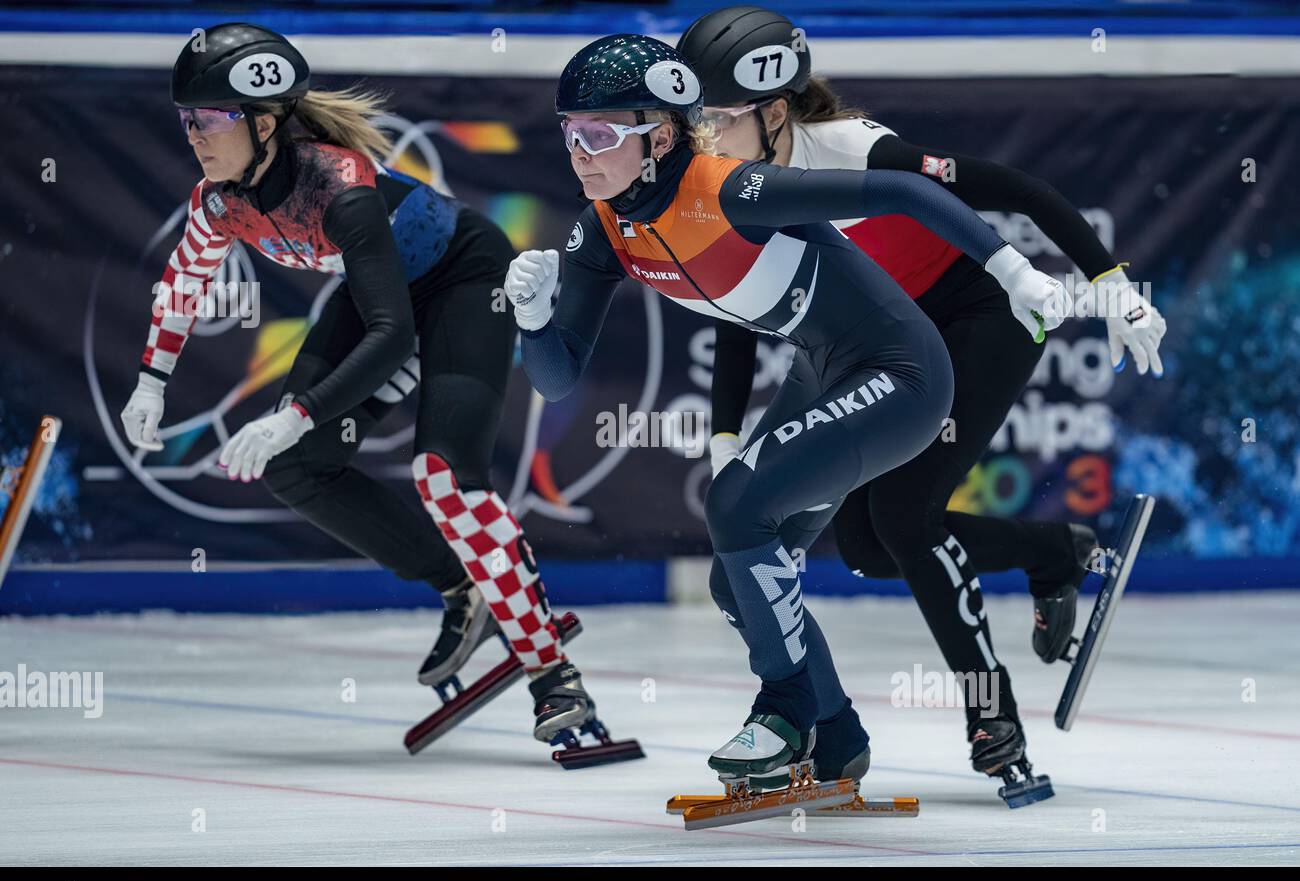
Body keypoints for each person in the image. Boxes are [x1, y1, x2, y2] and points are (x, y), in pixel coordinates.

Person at [505, 33, 1068, 792]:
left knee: (736, 506)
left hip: (900, 375)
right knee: (734, 582)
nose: (580, 152)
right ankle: (835, 737)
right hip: (825, 374)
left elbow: (906, 191)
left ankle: (785, 704)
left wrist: (1012, 270)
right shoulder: (602, 227)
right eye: (570, 132)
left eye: (600, 133)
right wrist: (535, 320)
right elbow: (558, 379)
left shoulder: (733, 189)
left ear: (661, 134)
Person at [677, 5, 1167, 782]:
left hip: (976, 315)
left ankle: (991, 711)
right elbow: (733, 309)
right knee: (869, 547)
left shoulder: (854, 148)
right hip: (882, 342)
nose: (702, 136)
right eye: (694, 118)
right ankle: (1055, 552)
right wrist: (726, 439)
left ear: (775, 112)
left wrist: (1110, 281)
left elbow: (1020, 189)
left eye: (718, 118)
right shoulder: (732, 182)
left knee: (904, 516)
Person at [118, 22, 605, 746]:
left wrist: (296, 412)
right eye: (186, 119)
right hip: (381, 292)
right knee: (296, 466)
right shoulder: (219, 200)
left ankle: (554, 677)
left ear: (264, 120)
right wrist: (151, 381)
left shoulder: (339, 187)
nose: (195, 136)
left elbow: (393, 337)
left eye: (210, 119)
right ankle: (461, 584)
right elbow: (183, 285)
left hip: (464, 281)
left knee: (445, 477)